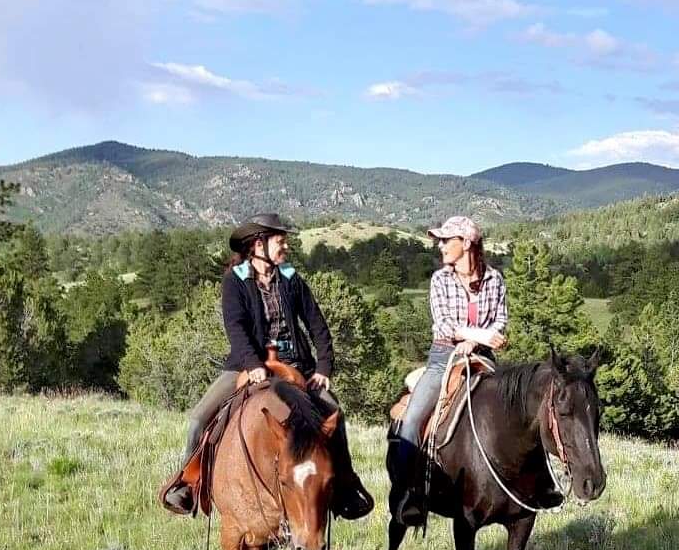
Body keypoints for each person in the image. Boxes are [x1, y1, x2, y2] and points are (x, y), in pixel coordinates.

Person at [162, 213, 372, 519]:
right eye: (280, 241)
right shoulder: (235, 281)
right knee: (198, 419)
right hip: (246, 365)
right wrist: (252, 363)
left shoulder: (291, 278)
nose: (285, 246)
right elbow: (235, 327)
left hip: (296, 364)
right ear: (258, 245)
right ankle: (189, 484)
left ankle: (344, 487)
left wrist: (323, 368)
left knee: (334, 414)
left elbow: (317, 325)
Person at [391, 215, 507, 525]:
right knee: (411, 420)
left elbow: (500, 320)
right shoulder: (439, 280)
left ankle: (534, 484)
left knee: (515, 411)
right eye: (440, 241)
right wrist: (477, 335)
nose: (440, 246)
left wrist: (477, 341)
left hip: (483, 359)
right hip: (444, 358)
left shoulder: (494, 279)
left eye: (446, 240)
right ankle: (408, 493)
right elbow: (443, 325)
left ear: (466, 243)